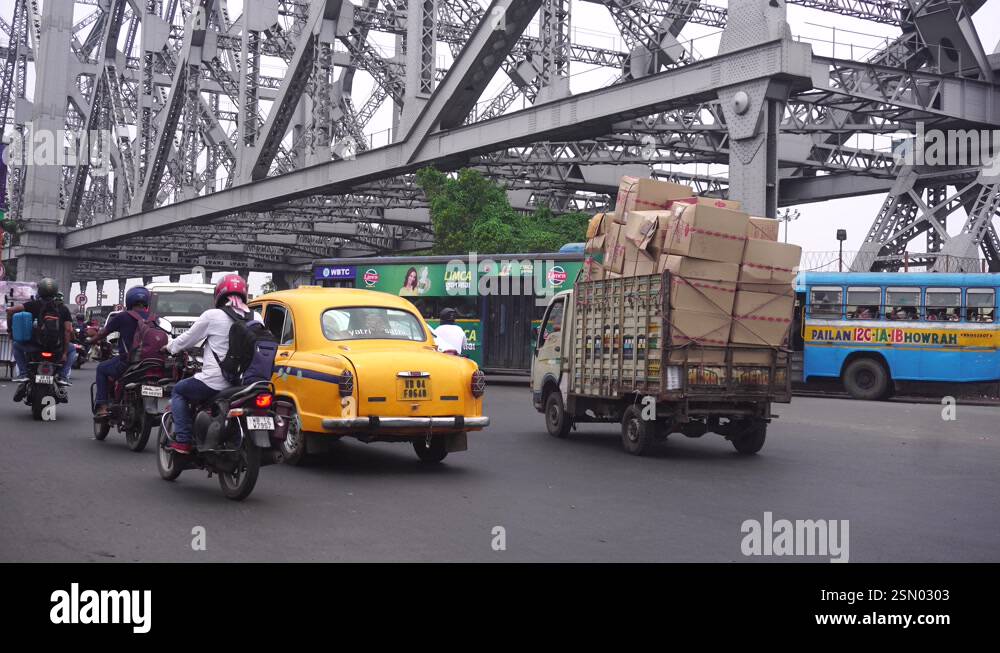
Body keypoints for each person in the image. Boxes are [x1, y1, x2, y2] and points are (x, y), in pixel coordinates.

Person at [164, 274, 256, 454]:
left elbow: (186, 340)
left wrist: (169, 348)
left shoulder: (212, 315)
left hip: (215, 382)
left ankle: (183, 440)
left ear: (219, 295)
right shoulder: (256, 317)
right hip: (246, 384)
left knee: (179, 391)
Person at [88, 286, 152, 417]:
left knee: (101, 368)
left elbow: (103, 333)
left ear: (129, 301)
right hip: (150, 364)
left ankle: (103, 406)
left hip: (128, 362)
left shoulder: (122, 317)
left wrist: (90, 341)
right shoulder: (155, 319)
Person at [5, 277, 75, 386]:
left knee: (16, 346)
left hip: (34, 346)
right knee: (73, 350)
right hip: (57, 348)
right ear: (55, 292)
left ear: (40, 291)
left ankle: (23, 373)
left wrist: (10, 331)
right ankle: (63, 376)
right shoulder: (63, 309)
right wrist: (65, 353)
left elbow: (10, 311)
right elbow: (68, 330)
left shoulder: (31, 305)